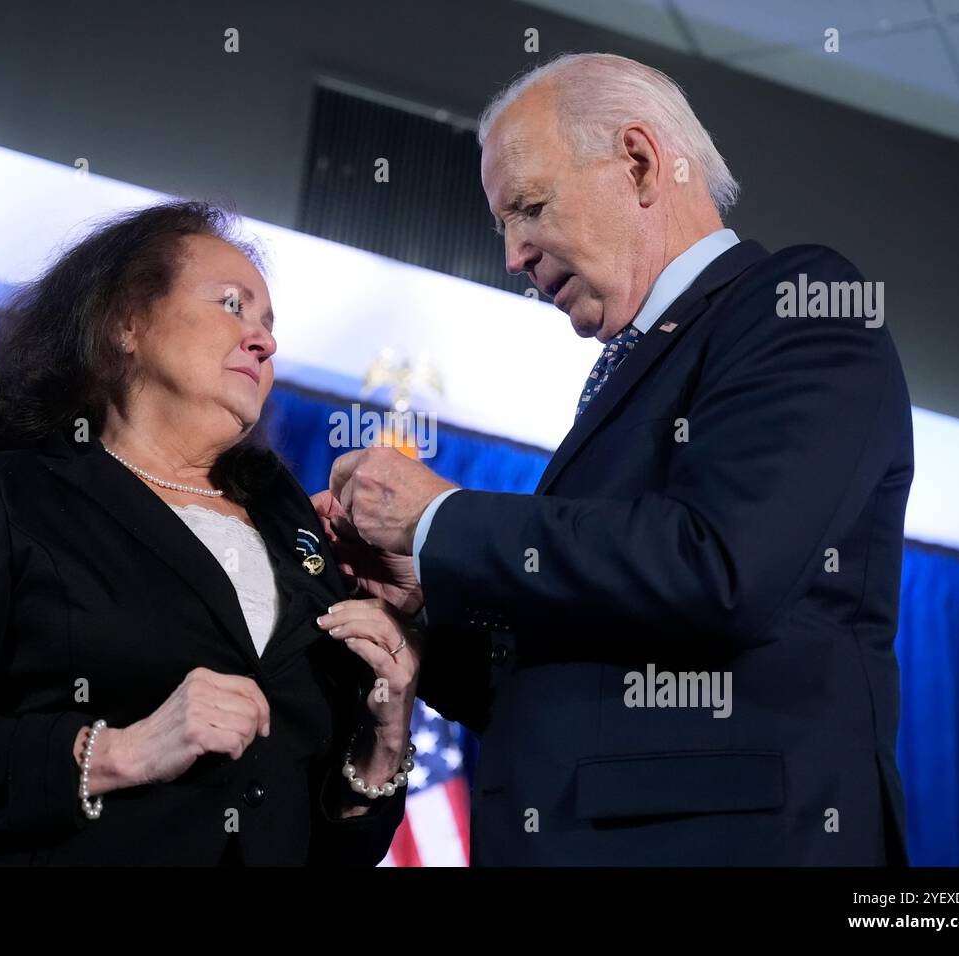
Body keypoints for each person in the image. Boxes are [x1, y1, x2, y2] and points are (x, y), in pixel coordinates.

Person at [319, 53, 913, 865]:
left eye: (527, 208)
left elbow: (719, 568)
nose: (513, 255)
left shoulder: (798, 305)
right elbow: (577, 675)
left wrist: (440, 517)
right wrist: (428, 605)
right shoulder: (637, 368)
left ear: (637, 162)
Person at [0, 201, 418, 865]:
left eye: (270, 324)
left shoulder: (297, 536)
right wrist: (116, 753)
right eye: (232, 304)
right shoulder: (5, 494)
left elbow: (323, 844)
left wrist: (383, 739)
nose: (264, 340)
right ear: (127, 323)